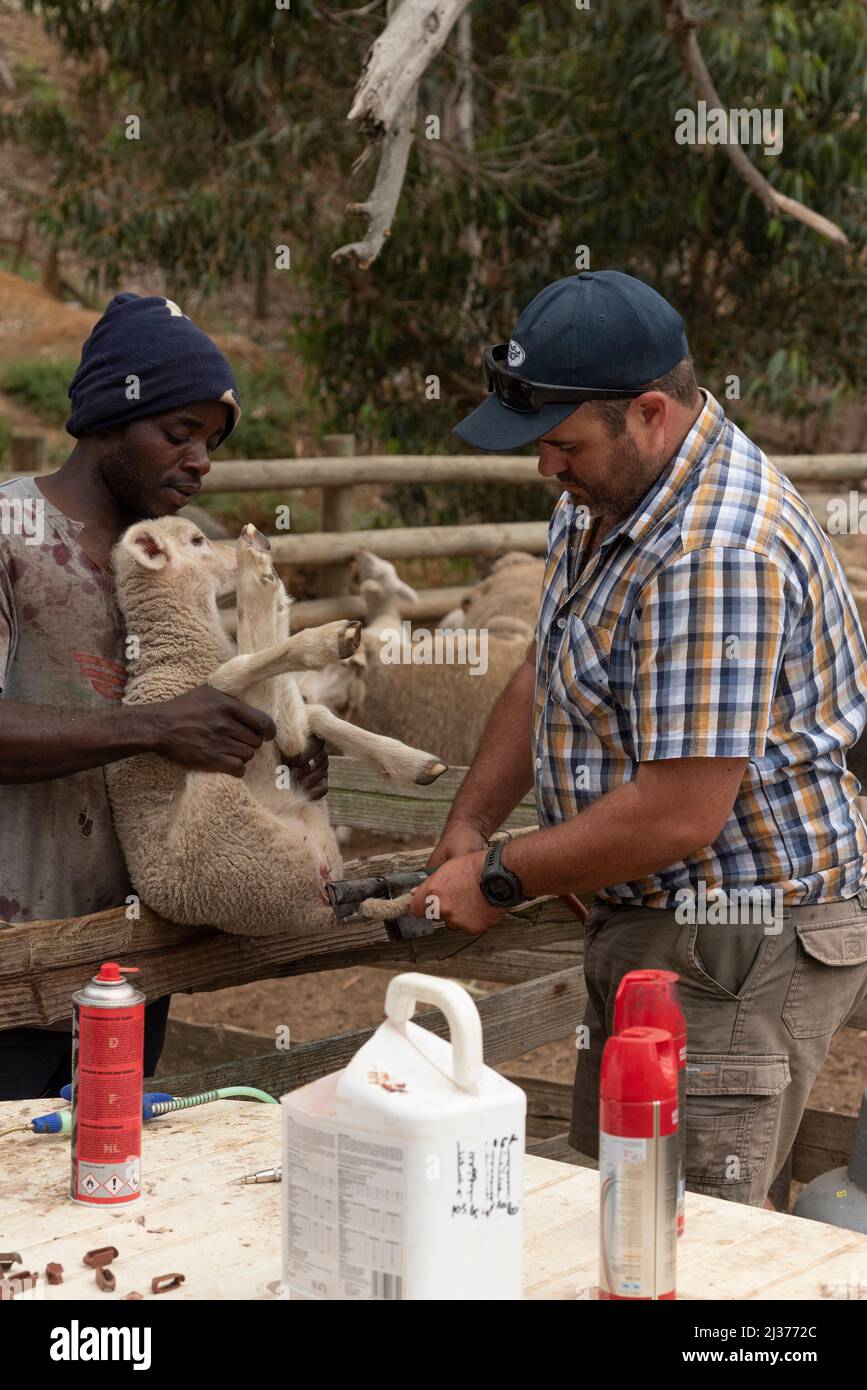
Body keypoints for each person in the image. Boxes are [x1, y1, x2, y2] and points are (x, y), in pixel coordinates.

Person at [413, 269, 867, 1206]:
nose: (547, 466)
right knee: (615, 1208)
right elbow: (546, 664)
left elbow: (678, 813)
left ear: (650, 412)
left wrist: (503, 875)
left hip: (735, 939)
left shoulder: (714, 549)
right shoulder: (605, 498)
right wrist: (471, 823)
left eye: (562, 443)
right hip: (656, 920)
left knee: (686, 1230)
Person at [0, 292, 326, 1099]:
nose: (200, 461)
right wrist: (154, 727)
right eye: (177, 434)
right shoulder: (11, 533)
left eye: (210, 442)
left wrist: (272, 760)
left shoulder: (181, 558)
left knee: (115, 1188)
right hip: (14, 957)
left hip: (135, 955)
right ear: (108, 418)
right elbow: (161, 721)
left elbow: (194, 711)